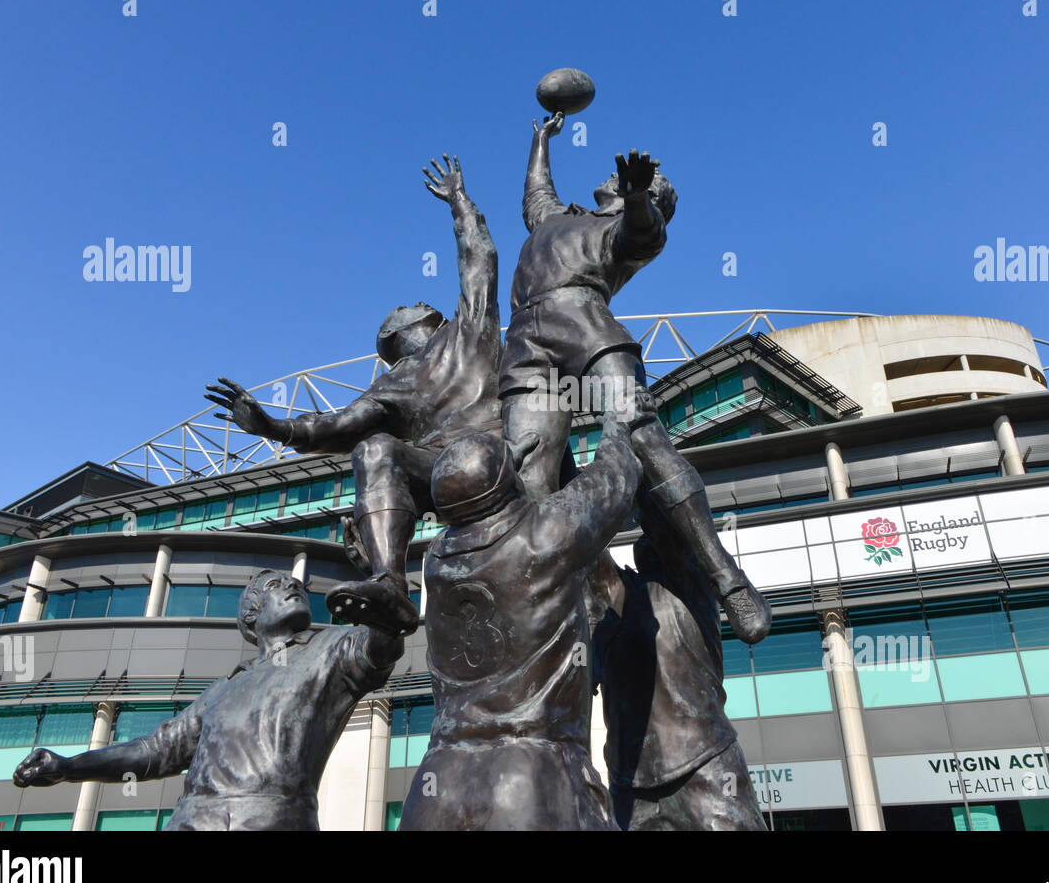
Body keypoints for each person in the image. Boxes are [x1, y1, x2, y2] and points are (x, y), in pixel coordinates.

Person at [498, 113, 770, 644]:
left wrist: (642, 197)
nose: (612, 179)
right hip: (526, 343)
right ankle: (561, 611)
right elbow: (535, 194)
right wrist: (539, 139)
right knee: (529, 475)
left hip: (585, 326)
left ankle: (727, 579)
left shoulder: (625, 231)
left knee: (640, 433)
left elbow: (642, 232)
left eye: (630, 186)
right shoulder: (557, 219)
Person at [205, 156, 500, 630]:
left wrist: (459, 202)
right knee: (375, 448)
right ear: (400, 331)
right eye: (413, 305)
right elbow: (334, 426)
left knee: (381, 446)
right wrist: (270, 427)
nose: (425, 302)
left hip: (488, 457)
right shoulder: (388, 385)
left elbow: (479, 259)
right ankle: (390, 582)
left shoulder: (469, 331)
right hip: (441, 476)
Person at [398, 401, 648, 830]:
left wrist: (501, 465)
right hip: (529, 769)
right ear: (504, 484)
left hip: (438, 777)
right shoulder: (545, 534)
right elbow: (615, 480)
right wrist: (618, 424)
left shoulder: (437, 559)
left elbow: (472, 503)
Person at [12, 569, 403, 830]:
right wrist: (69, 766)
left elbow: (383, 644)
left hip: (270, 820)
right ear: (251, 616)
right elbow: (155, 750)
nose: (292, 586)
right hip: (192, 821)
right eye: (273, 585)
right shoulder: (222, 689)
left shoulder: (330, 649)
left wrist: (384, 595)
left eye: (297, 585)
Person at [591, 496, 767, 830]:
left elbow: (671, 516)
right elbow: (585, 542)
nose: (644, 541)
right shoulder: (615, 596)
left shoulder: (690, 589)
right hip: (629, 778)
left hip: (704, 762)